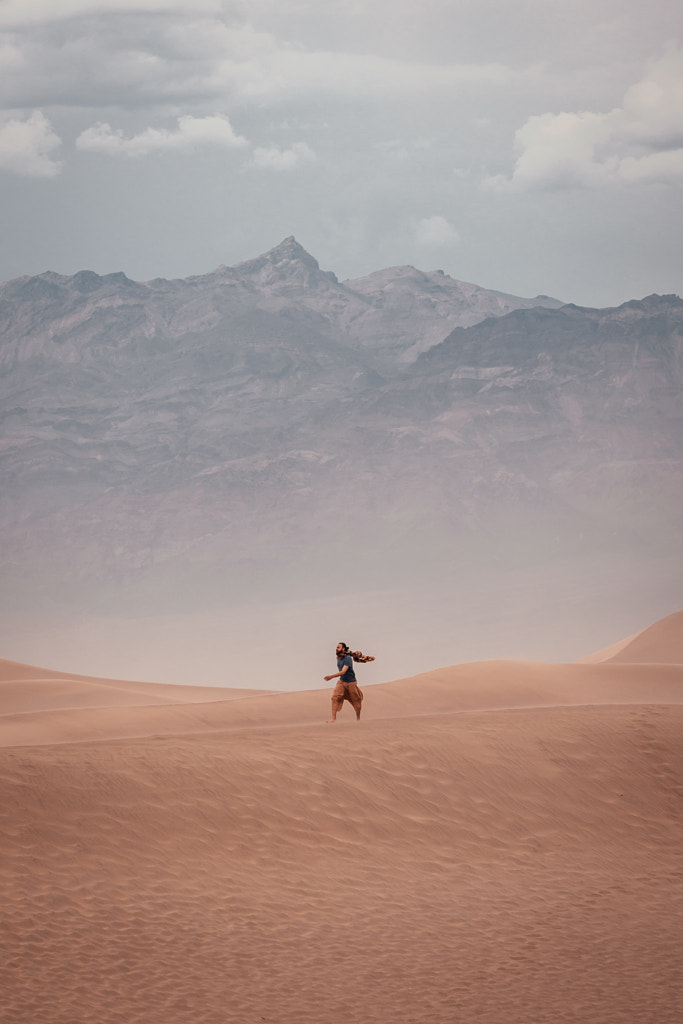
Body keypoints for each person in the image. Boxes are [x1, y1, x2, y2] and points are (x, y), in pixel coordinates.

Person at [324, 642, 364, 722]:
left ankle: (358, 719)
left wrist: (331, 677)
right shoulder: (338, 657)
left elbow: (343, 672)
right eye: (336, 647)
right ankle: (333, 718)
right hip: (342, 681)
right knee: (335, 697)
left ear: (343, 649)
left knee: (356, 700)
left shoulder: (348, 658)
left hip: (351, 682)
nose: (336, 649)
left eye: (338, 647)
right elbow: (342, 674)